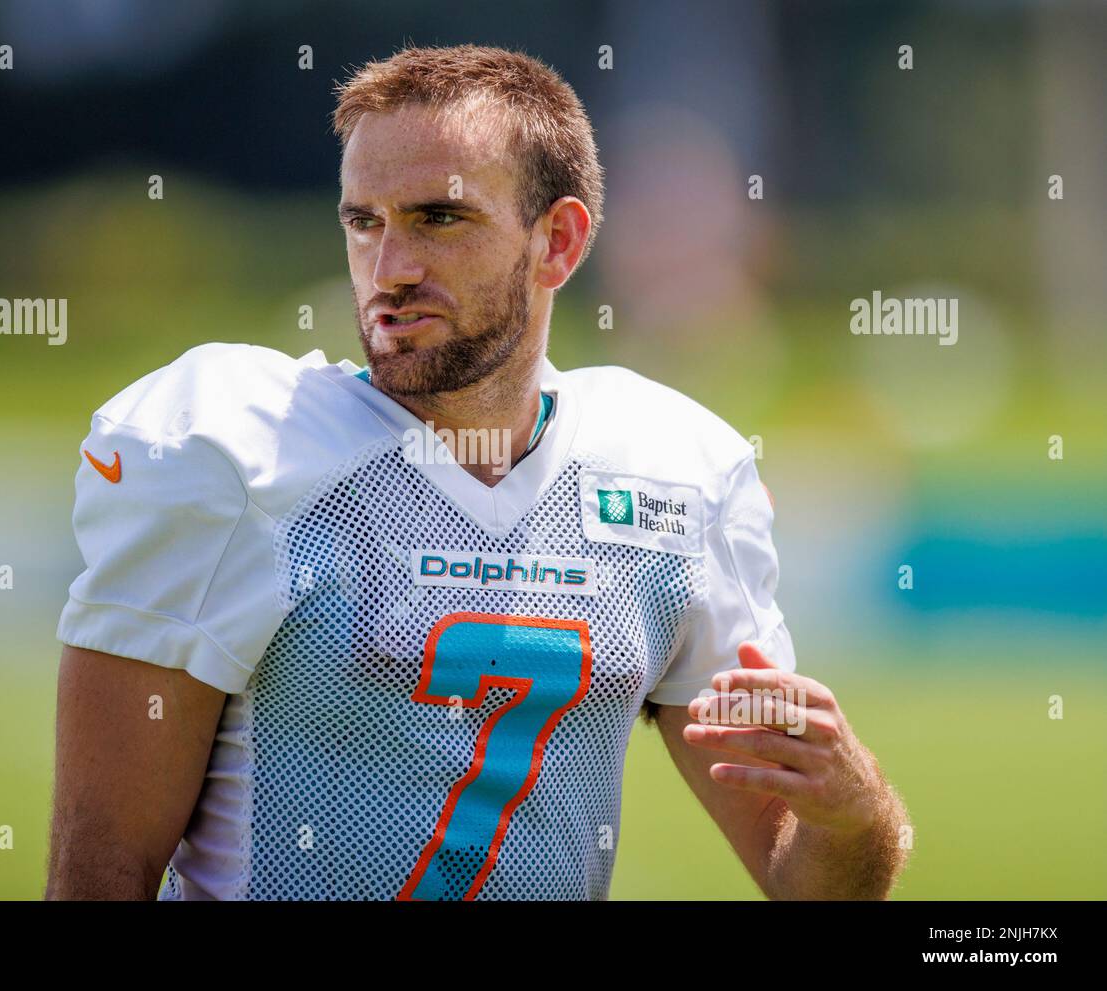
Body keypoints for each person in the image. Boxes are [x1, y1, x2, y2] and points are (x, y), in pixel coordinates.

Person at [47, 44, 909, 901]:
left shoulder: (673, 479)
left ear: (558, 243)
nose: (390, 272)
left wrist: (856, 811)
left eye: (438, 219)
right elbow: (98, 875)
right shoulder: (238, 457)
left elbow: (815, 887)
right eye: (364, 222)